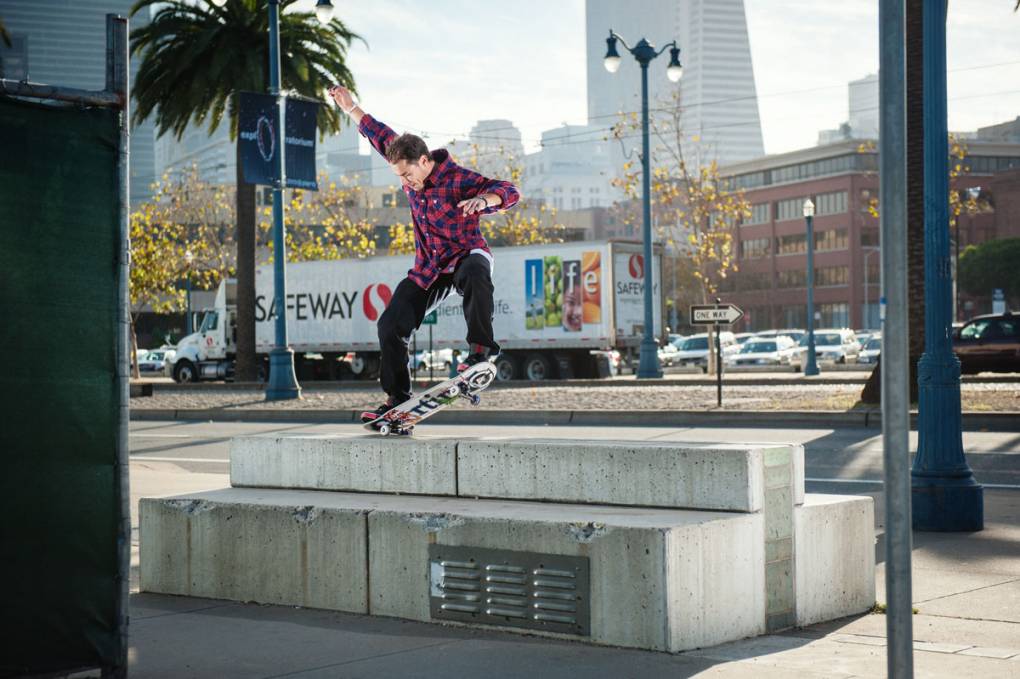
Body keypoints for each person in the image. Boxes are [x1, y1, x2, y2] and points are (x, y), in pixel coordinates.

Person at [328, 86, 520, 422]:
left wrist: (485, 201)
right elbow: (380, 135)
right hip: (429, 267)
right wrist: (351, 108)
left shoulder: (458, 178)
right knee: (390, 325)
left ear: (424, 161)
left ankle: (480, 352)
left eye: (408, 174)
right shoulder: (406, 166)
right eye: (399, 176)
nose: (405, 181)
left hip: (465, 255)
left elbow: (510, 190)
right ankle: (397, 398)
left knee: (476, 272)